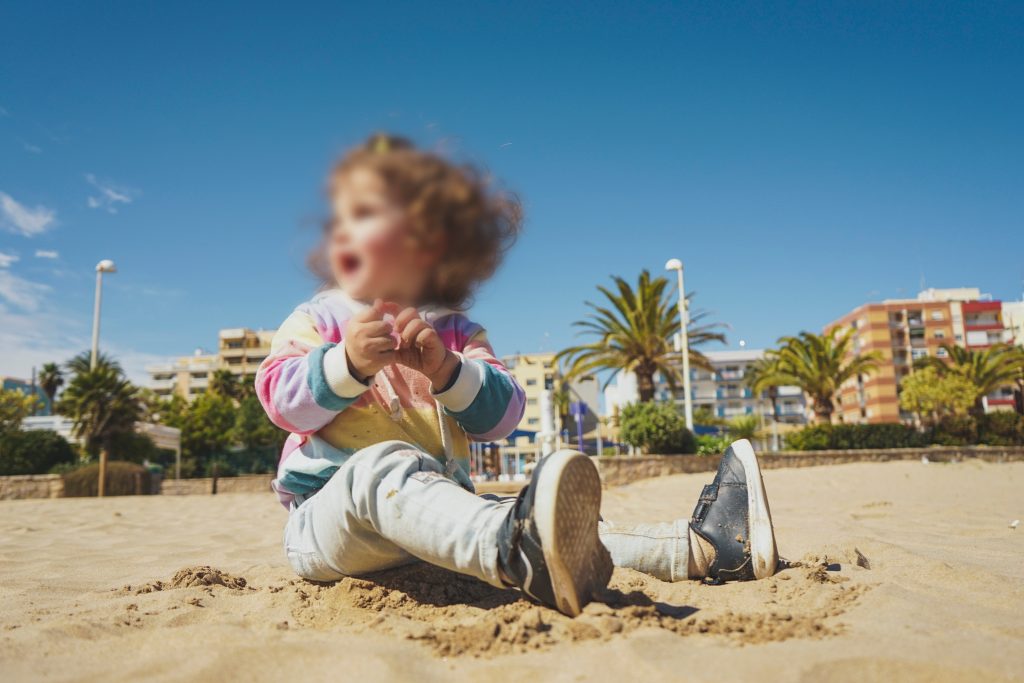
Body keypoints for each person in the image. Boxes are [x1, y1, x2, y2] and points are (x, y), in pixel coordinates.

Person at [256, 134, 779, 617]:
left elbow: (502, 417)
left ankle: (704, 548)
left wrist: (444, 369)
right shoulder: (319, 319)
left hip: (438, 524)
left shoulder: (456, 334)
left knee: (547, 524)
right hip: (331, 521)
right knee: (382, 470)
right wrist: (345, 364)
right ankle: (511, 549)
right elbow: (281, 401)